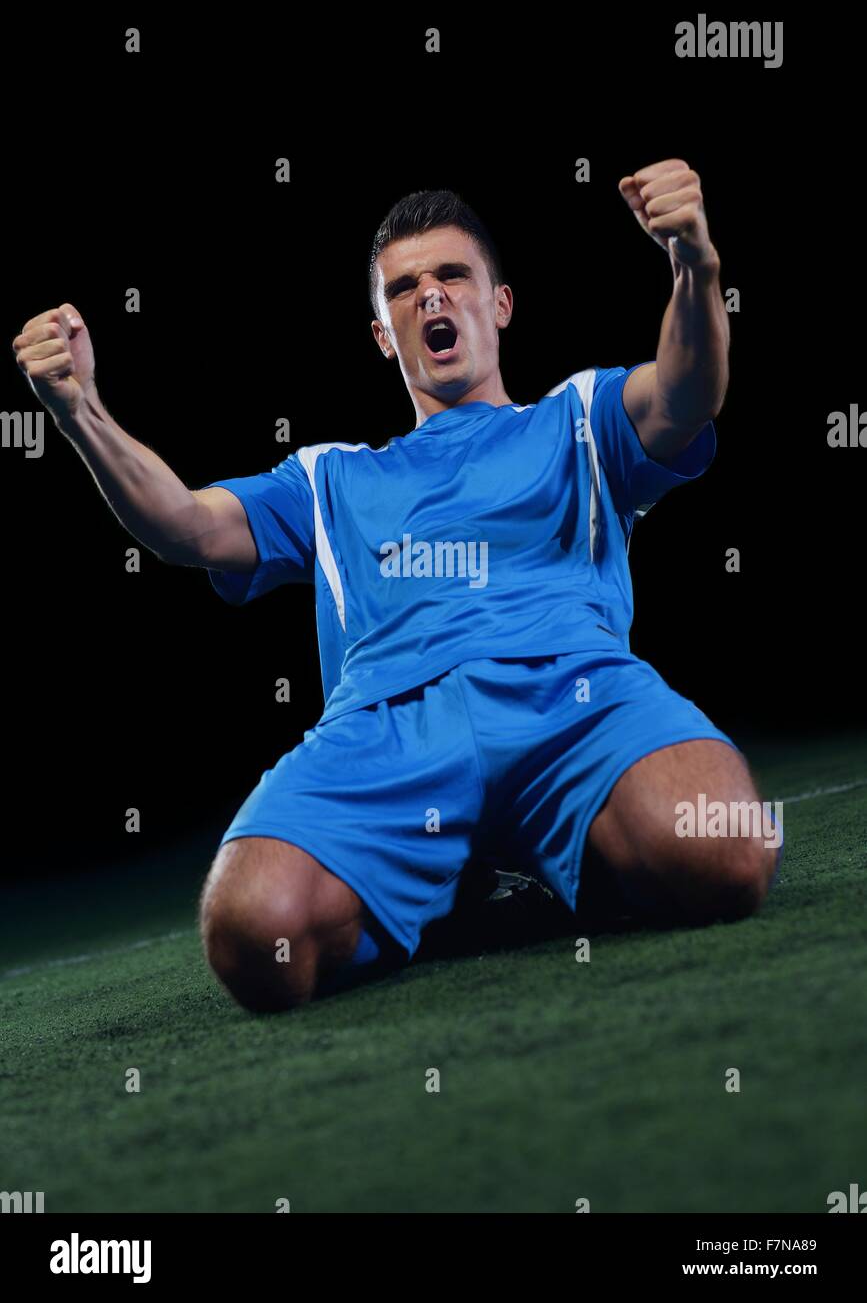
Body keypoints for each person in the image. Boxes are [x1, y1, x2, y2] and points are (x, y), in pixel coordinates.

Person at [12, 160, 783, 1014]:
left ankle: (543, 862)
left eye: (453, 276)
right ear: (383, 333)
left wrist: (693, 263)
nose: (431, 297)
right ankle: (448, 881)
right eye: (404, 288)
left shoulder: (578, 417)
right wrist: (79, 412)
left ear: (499, 305)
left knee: (729, 850)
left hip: (571, 696)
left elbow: (685, 392)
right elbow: (185, 526)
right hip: (386, 734)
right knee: (254, 937)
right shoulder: (327, 479)